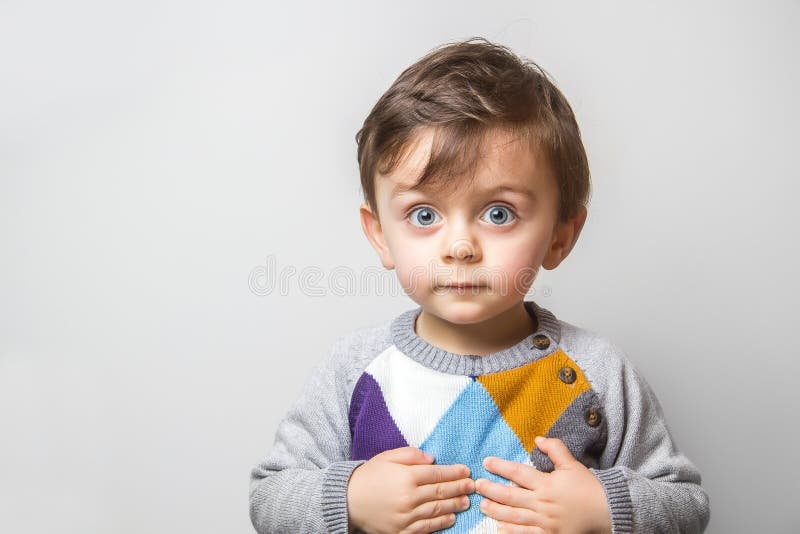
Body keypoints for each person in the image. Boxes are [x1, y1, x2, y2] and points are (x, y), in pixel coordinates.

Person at [249, 37, 710, 534]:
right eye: (424, 215)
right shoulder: (355, 370)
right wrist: (351, 496)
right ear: (381, 235)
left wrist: (602, 510)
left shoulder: (597, 371)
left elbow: (685, 504)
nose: (461, 247)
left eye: (498, 213)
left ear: (559, 236)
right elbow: (270, 495)